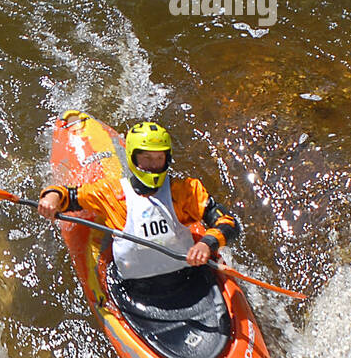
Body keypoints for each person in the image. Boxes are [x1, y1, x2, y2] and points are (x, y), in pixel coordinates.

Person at [36, 121, 240, 293]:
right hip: (135, 289)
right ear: (133, 157)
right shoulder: (112, 194)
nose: (154, 165)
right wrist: (51, 197)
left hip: (188, 280)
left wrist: (207, 243)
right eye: (147, 158)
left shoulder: (185, 192)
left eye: (159, 158)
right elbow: (69, 196)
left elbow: (228, 223)